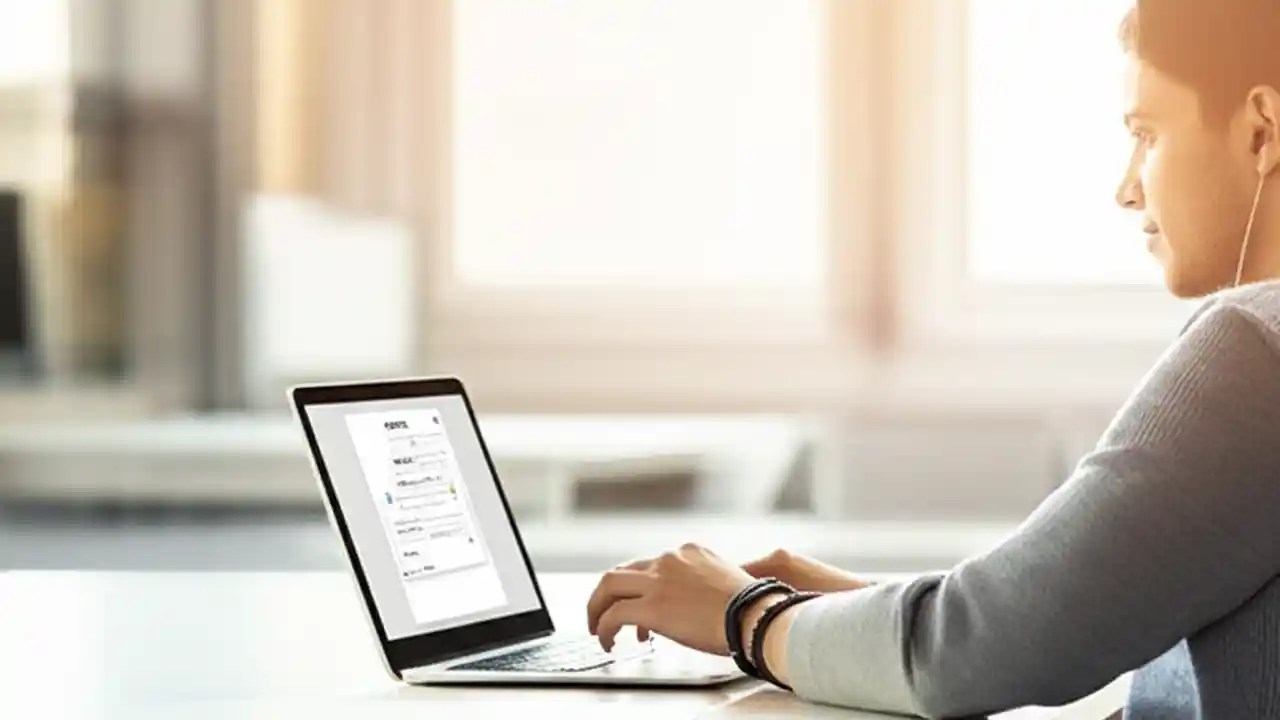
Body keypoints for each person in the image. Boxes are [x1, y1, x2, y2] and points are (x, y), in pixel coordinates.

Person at [585, 1, 1280, 717]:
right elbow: (1058, 618)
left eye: (1147, 135)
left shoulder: (1255, 348)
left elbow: (982, 652)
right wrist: (857, 614)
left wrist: (744, 617)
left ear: (1262, 131)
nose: (1128, 185)